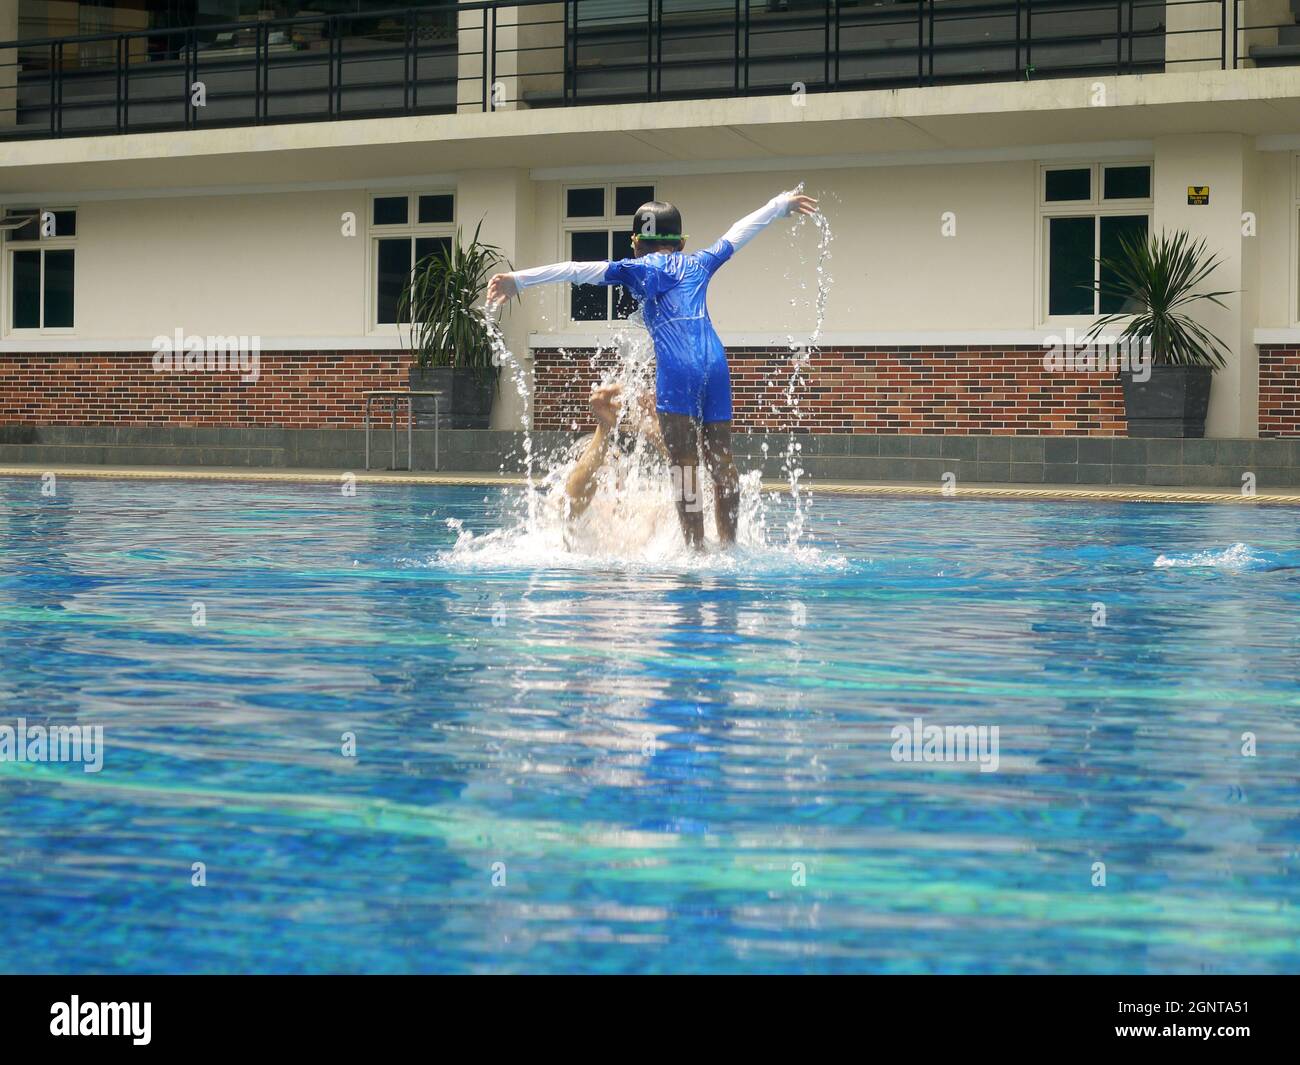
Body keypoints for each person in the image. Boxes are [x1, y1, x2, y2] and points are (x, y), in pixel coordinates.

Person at [487, 188, 818, 549]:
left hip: (677, 369)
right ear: (680, 241)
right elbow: (737, 233)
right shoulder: (698, 262)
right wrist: (779, 205)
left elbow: (575, 270)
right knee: (721, 460)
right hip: (715, 362)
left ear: (636, 242)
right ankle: (729, 545)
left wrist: (518, 280)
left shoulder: (633, 269)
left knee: (685, 465)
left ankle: (696, 551)